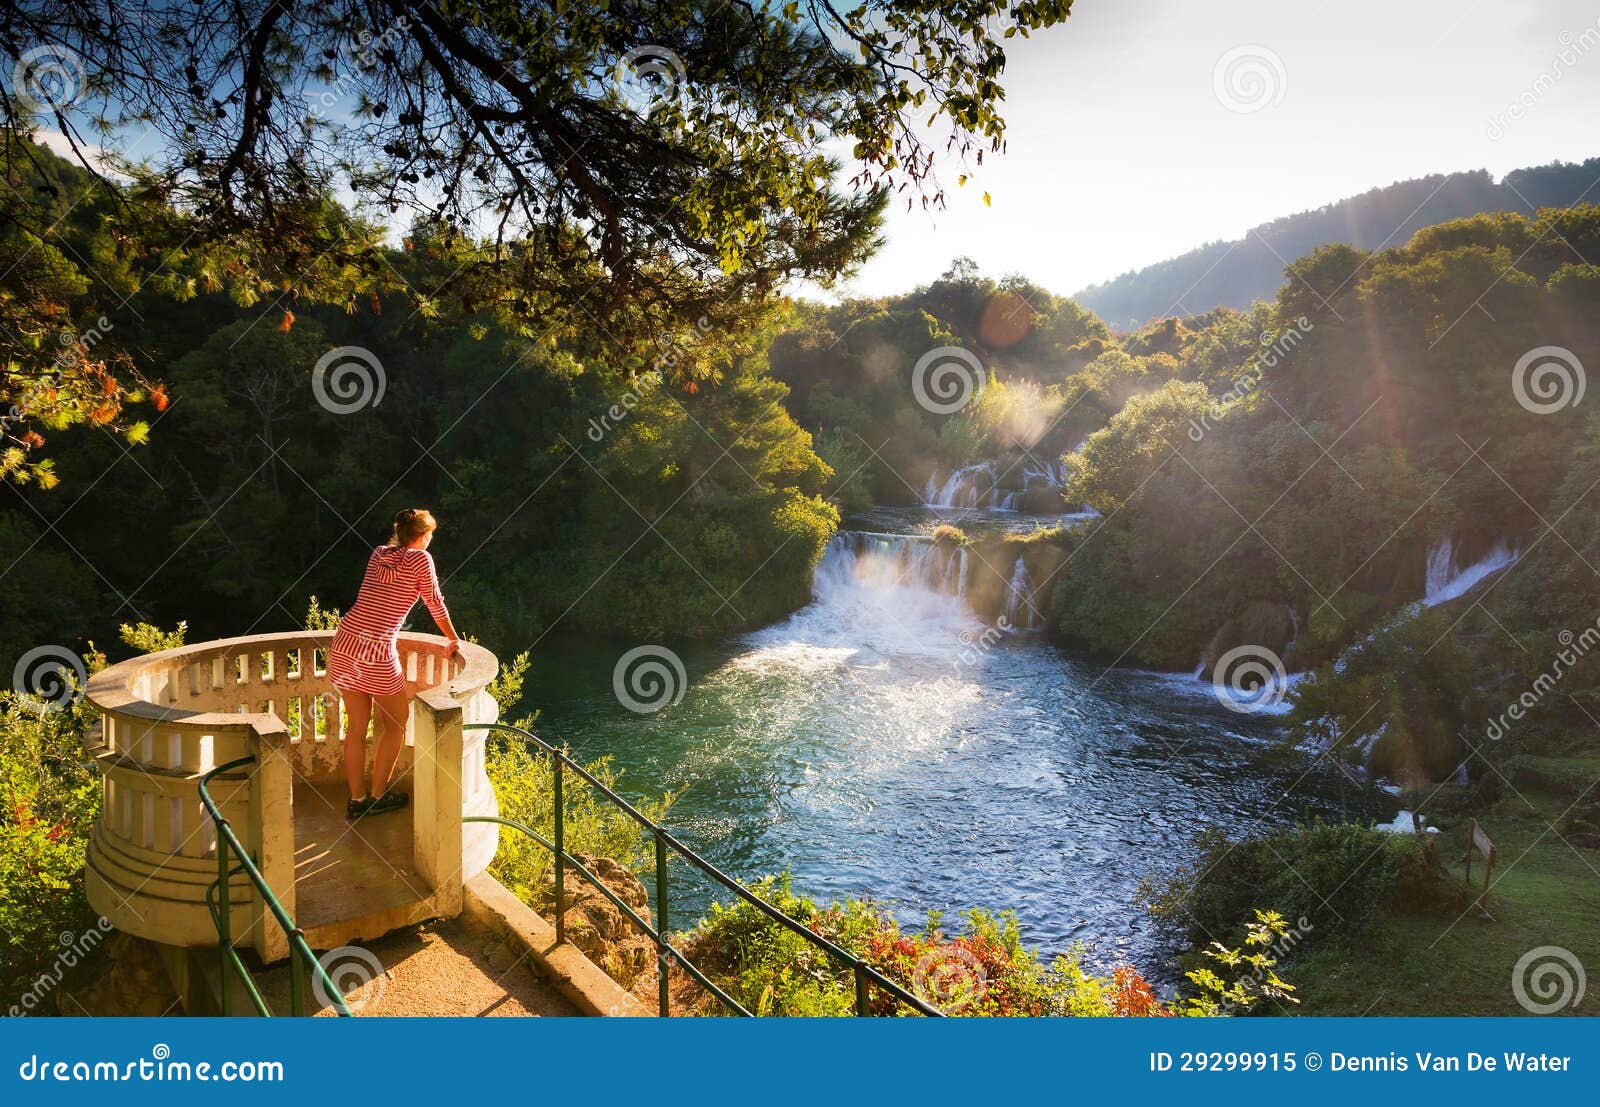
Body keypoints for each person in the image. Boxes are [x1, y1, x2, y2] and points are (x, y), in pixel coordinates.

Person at [328, 508, 461, 820]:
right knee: (396, 724)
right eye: (430, 535)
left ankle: (356, 800)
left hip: (346, 642)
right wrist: (452, 639)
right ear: (423, 536)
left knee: (356, 728)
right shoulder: (421, 559)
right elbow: (435, 603)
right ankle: (377, 796)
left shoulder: (379, 553)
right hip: (376, 651)